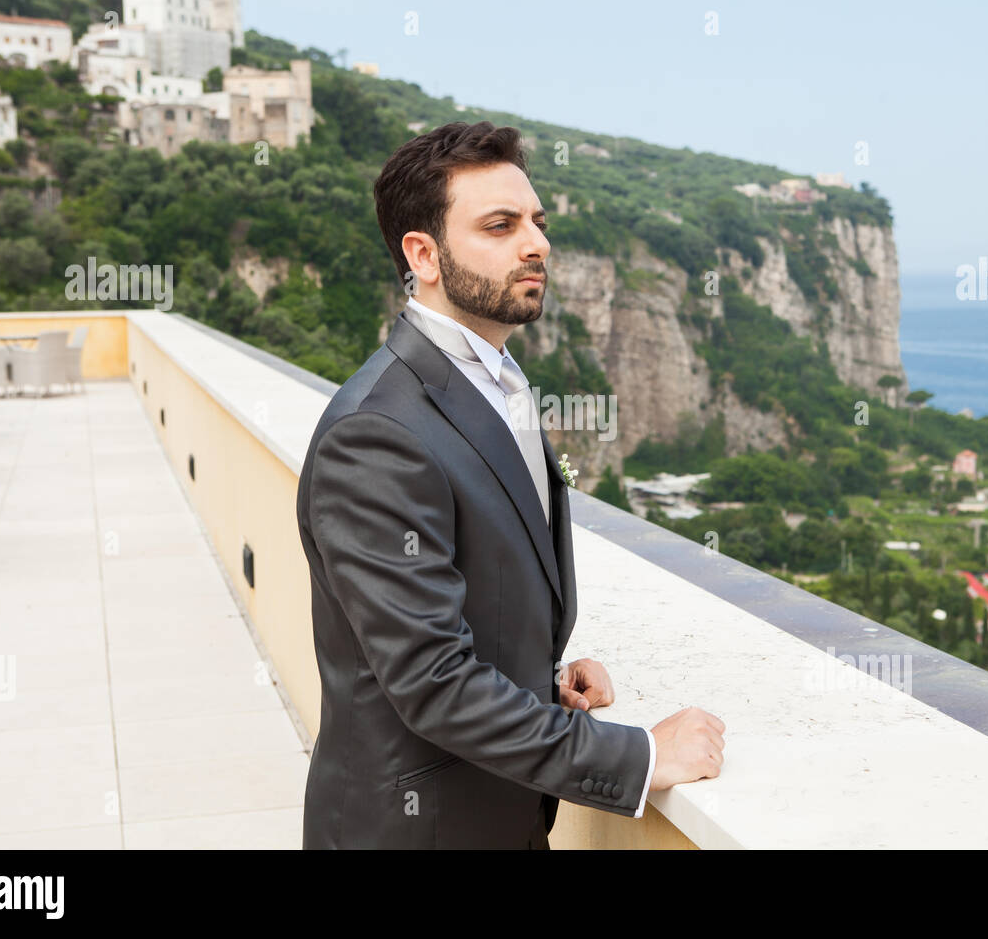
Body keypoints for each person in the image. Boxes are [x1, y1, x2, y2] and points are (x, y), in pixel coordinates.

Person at [296, 120, 724, 849]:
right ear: (422, 254)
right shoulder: (376, 435)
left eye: (537, 221)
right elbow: (432, 681)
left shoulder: (499, 380)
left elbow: (468, 580)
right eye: (500, 225)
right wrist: (640, 756)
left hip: (504, 816)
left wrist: (538, 675)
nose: (537, 243)